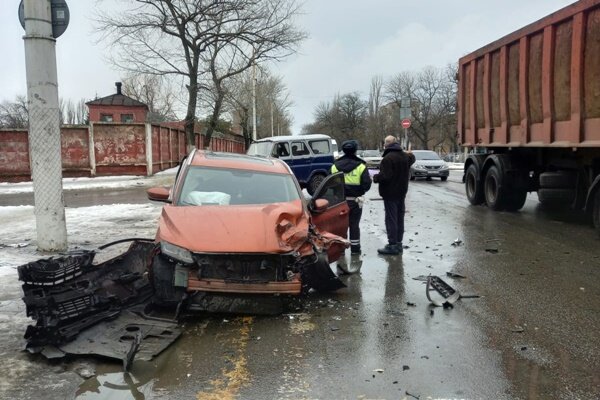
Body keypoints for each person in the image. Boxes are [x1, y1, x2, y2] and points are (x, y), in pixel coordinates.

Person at [373, 136, 415, 255]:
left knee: (391, 219)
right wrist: (408, 152)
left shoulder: (388, 158)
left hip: (390, 193)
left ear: (386, 145)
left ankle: (392, 245)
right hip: (402, 192)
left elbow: (385, 176)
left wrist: (376, 177)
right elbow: (412, 158)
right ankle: (398, 243)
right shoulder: (405, 157)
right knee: (399, 218)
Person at [331, 140, 372, 254]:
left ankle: (341, 249)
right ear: (355, 150)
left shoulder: (334, 166)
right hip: (355, 201)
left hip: (339, 202)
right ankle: (355, 249)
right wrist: (359, 191)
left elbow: (329, 185)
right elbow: (367, 185)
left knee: (340, 226)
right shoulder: (361, 166)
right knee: (354, 225)